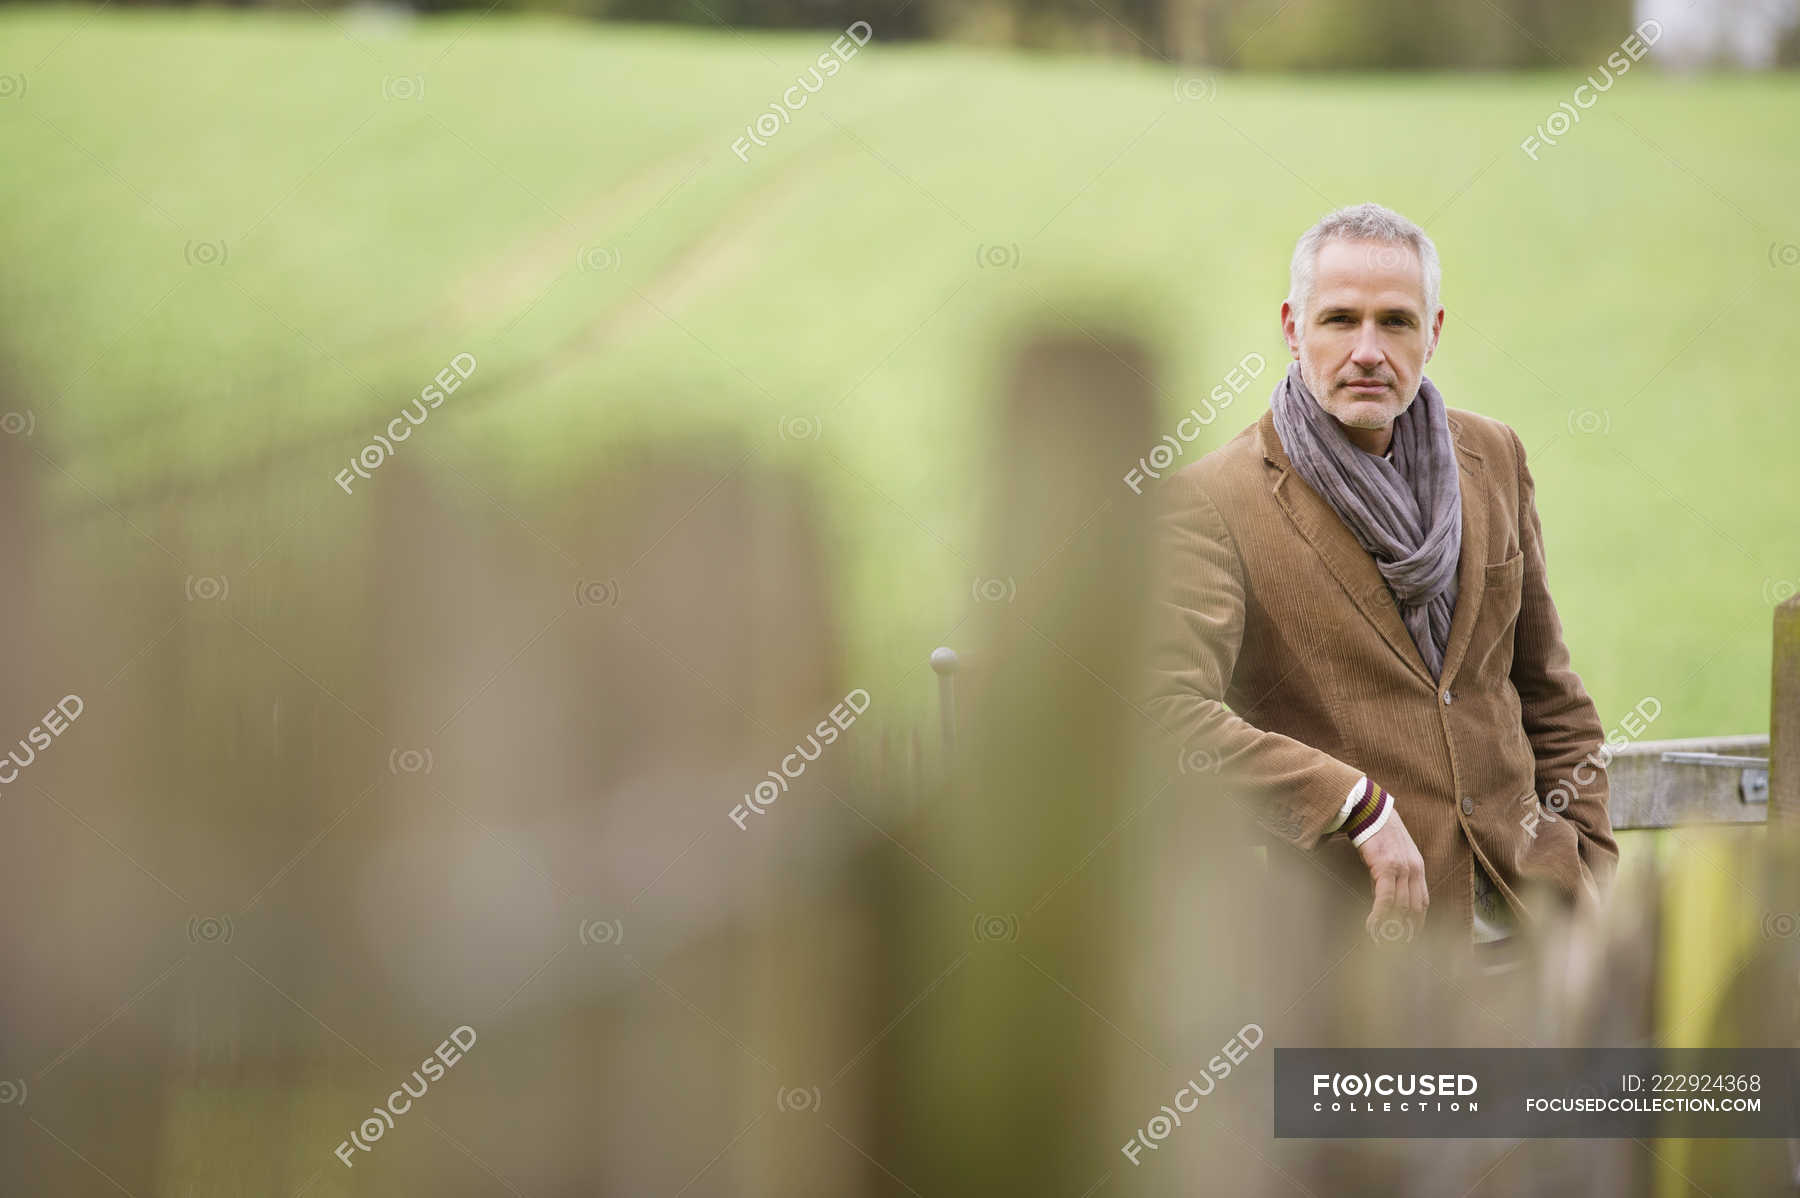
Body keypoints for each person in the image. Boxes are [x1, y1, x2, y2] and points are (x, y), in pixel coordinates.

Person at [1145, 203, 1618, 975]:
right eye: (1341, 320)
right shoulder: (1211, 502)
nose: (1368, 351)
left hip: (1535, 936)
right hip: (1356, 958)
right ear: (1294, 328)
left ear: (1432, 332)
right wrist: (1352, 806)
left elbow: (1549, 691)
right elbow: (1162, 710)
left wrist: (1588, 862)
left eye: (1395, 322)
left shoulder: (1494, 458)